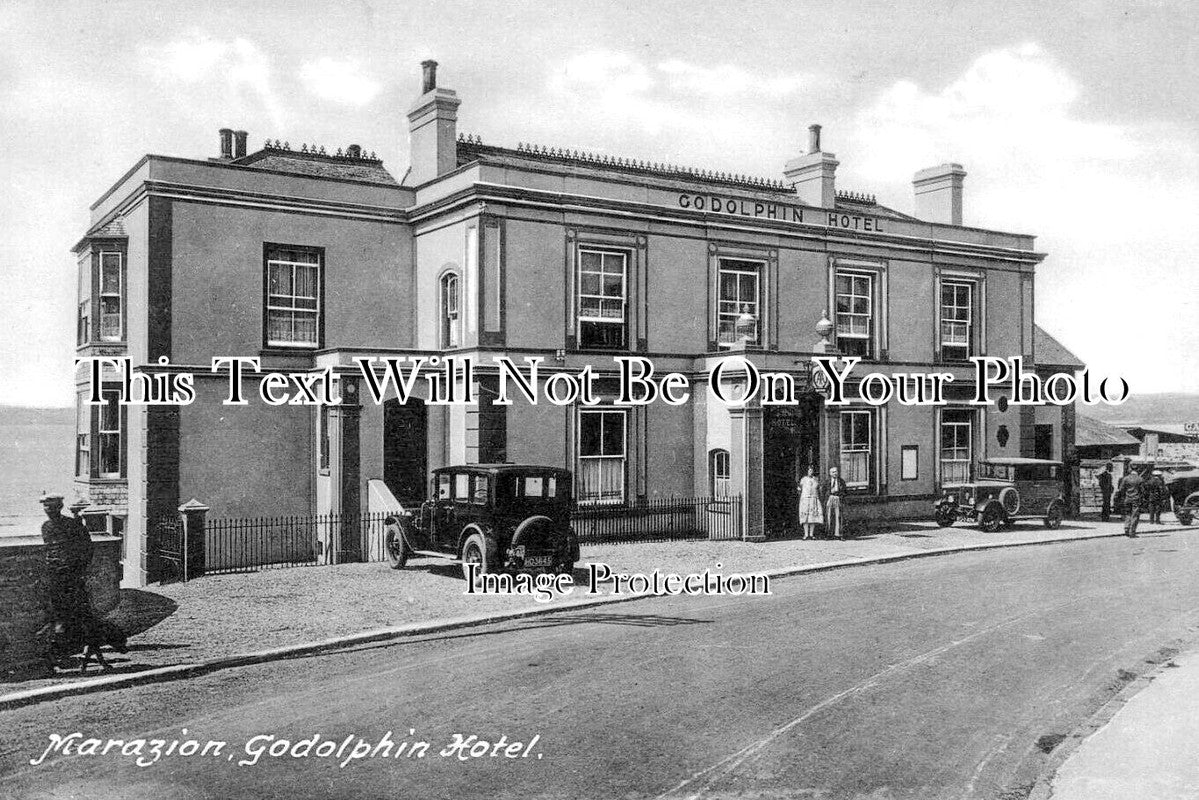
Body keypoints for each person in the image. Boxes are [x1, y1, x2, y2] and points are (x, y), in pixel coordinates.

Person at [39, 493, 94, 633]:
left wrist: (79, 569)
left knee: (79, 609)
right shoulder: (46, 527)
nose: (48, 510)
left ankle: (93, 640)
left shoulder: (73, 525)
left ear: (59, 507)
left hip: (71, 573)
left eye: (51, 507)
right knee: (54, 607)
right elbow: (50, 549)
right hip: (54, 573)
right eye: (46, 507)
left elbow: (87, 548)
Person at [820, 466, 848, 539]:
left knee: (838, 516)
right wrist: (826, 497)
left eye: (836, 472)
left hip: (838, 498)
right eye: (833, 472)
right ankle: (828, 534)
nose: (835, 473)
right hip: (830, 498)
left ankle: (839, 534)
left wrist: (840, 496)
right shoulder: (827, 481)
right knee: (828, 516)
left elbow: (845, 491)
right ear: (830, 473)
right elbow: (823, 491)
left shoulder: (841, 481)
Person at [1116, 468, 1145, 538]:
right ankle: (1132, 532)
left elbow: (1121, 489)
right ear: (1137, 471)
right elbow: (1143, 490)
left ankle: (1126, 528)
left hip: (1127, 498)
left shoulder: (1126, 479)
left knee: (1128, 514)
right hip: (1136, 499)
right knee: (1135, 515)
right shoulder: (1140, 479)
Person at [796, 466, 823, 540]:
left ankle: (811, 534)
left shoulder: (816, 479)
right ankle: (806, 534)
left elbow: (819, 488)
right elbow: (799, 489)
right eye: (809, 471)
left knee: (812, 516)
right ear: (807, 471)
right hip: (805, 499)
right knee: (805, 516)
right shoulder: (803, 479)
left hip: (813, 499)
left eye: (812, 471)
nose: (810, 472)